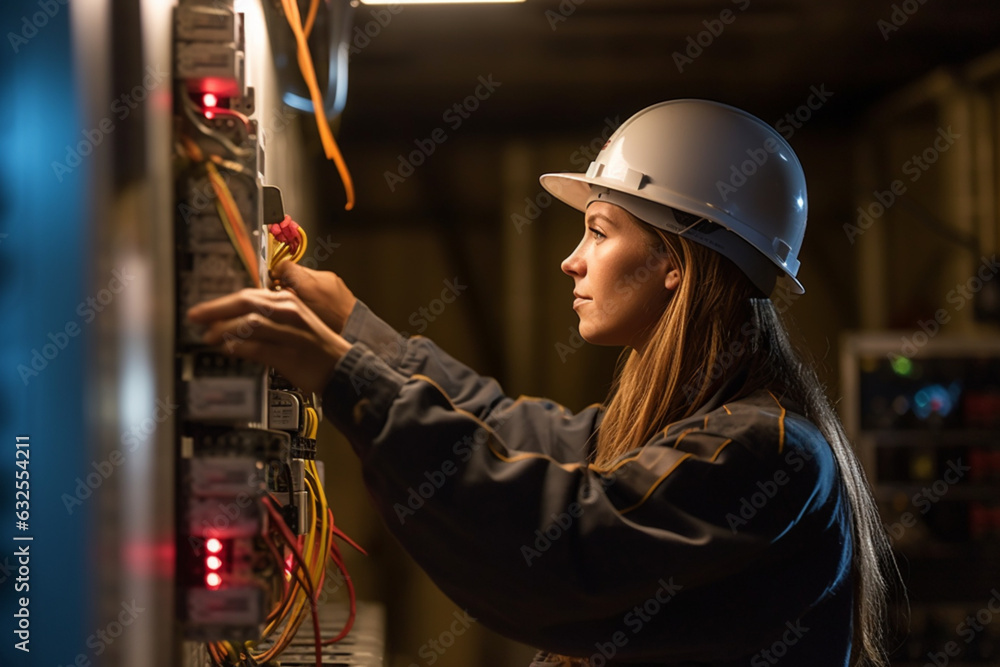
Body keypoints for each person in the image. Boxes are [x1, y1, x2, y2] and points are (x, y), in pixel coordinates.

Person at [187, 99, 897, 666]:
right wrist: (355, 329)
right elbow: (516, 431)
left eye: (598, 229)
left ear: (677, 260)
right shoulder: (695, 431)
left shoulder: (768, 454)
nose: (572, 260)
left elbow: (560, 547)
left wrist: (345, 376)